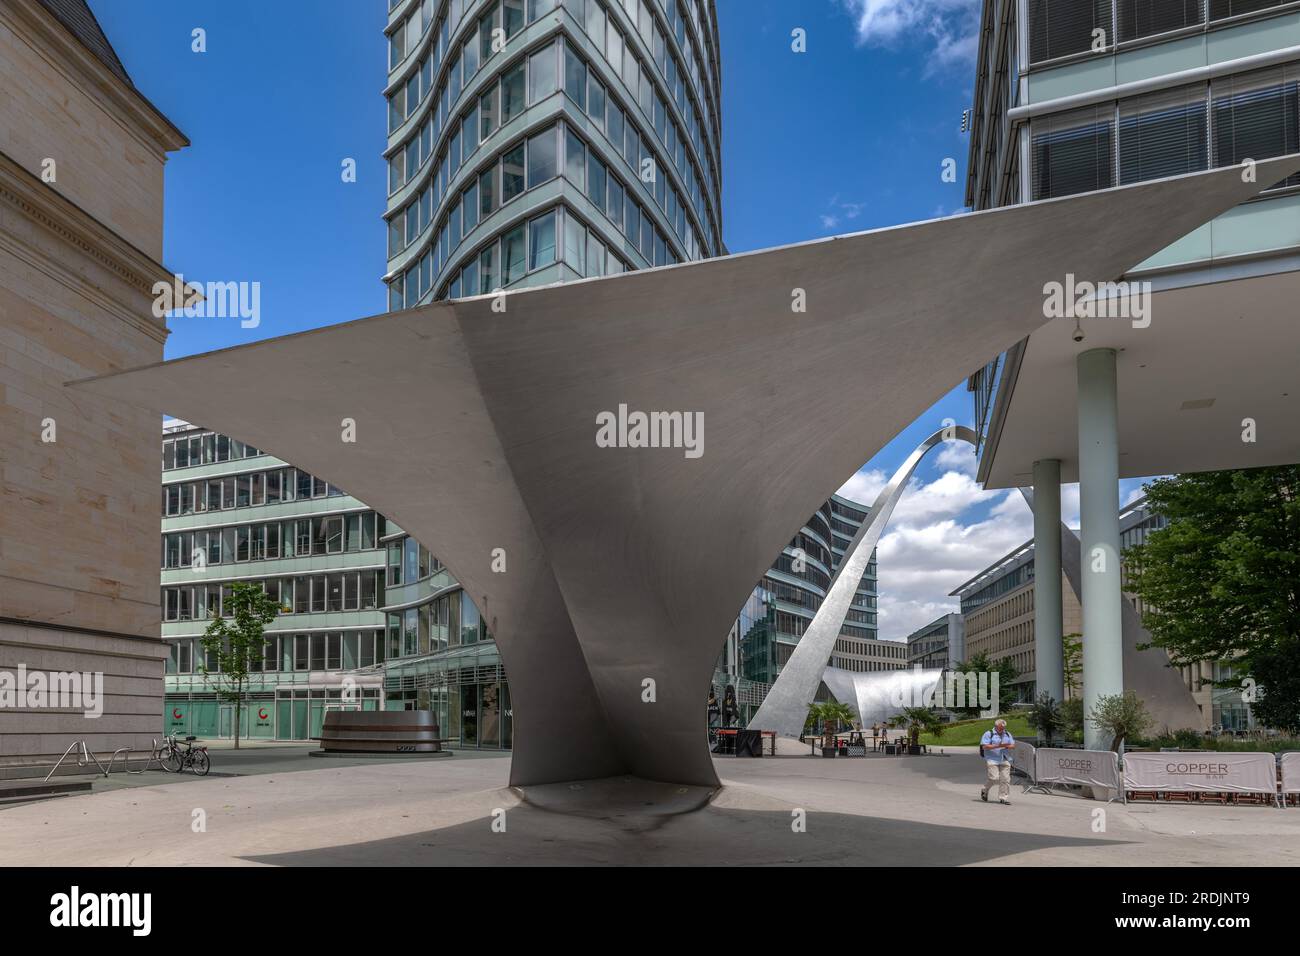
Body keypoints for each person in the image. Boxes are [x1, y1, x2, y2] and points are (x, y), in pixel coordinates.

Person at [979, 718, 1016, 805]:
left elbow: (1013, 745)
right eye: (1000, 728)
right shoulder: (988, 734)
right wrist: (997, 746)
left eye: (1003, 728)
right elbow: (984, 746)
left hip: (1005, 758)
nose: (1002, 730)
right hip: (992, 759)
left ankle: (1003, 798)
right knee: (994, 778)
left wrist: (1006, 746)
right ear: (996, 726)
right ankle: (985, 790)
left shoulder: (1007, 733)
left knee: (1005, 779)